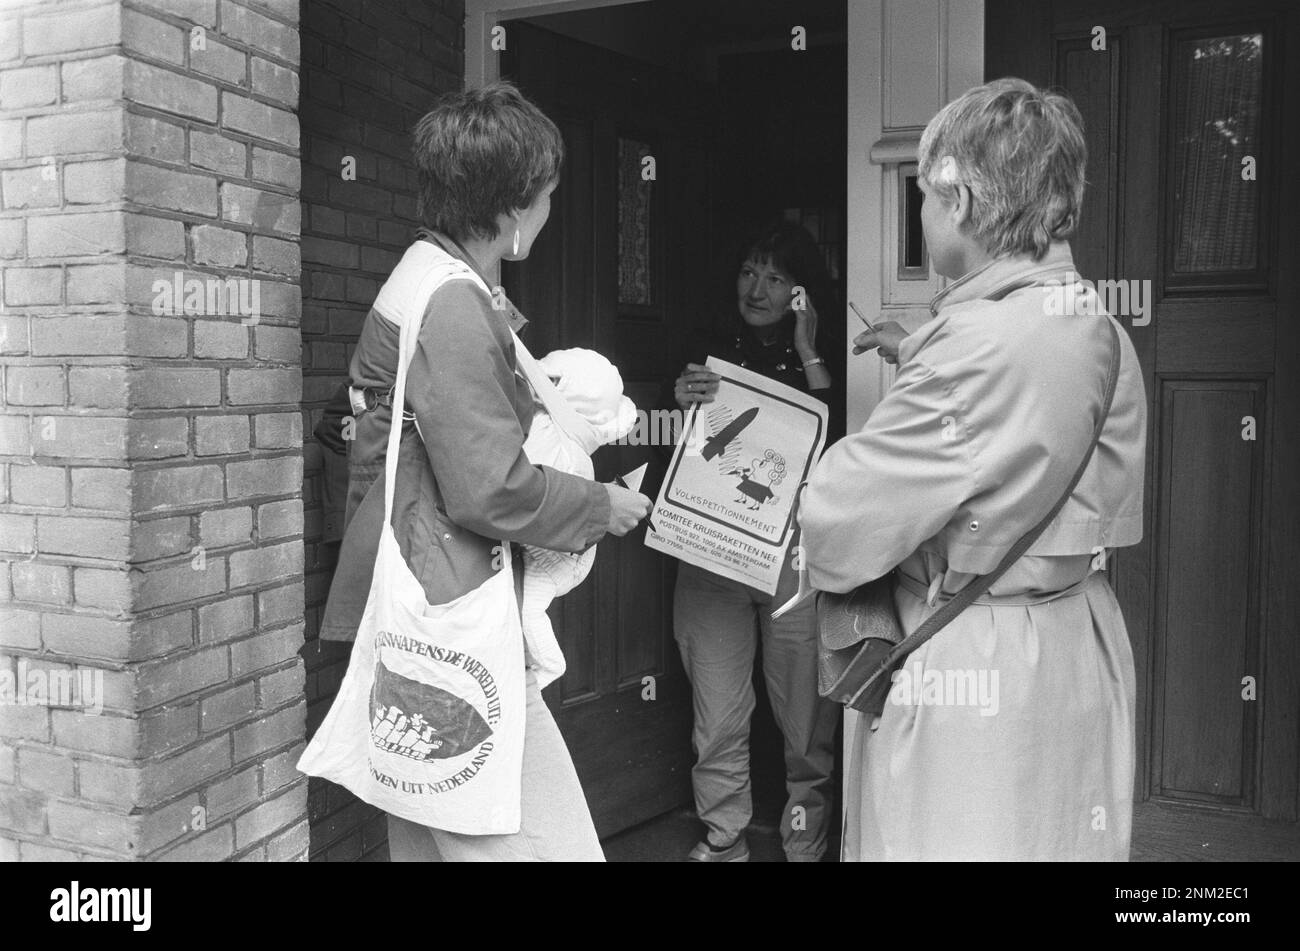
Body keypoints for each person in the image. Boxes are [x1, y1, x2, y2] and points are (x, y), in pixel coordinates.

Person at [799, 78, 1147, 861]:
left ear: (956, 197)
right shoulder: (1094, 322)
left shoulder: (978, 345)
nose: (923, 215)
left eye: (925, 194)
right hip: (1072, 633)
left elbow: (839, 521)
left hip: (976, 658)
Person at [315, 81, 651, 861]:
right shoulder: (454, 304)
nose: (548, 207)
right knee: (535, 837)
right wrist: (600, 503)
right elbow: (489, 486)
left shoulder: (426, 275)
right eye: (547, 193)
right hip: (451, 609)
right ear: (512, 205)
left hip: (409, 599)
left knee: (430, 833)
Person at [669, 220, 841, 863]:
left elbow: (840, 440)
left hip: (791, 557)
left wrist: (810, 346)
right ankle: (724, 835)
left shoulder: (820, 357)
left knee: (804, 719)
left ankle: (805, 842)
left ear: (799, 291)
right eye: (750, 271)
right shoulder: (708, 345)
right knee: (716, 712)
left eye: (775, 277)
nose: (758, 287)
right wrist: (678, 399)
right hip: (711, 549)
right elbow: (683, 442)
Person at [518, 347, 638, 688]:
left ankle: (548, 668)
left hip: (555, 558)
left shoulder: (557, 444)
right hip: (551, 545)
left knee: (529, 608)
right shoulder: (545, 428)